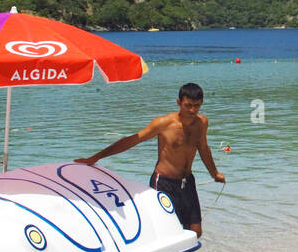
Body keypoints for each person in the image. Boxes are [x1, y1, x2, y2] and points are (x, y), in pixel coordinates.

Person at [75, 82, 226, 237]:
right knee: (166, 231)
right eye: (188, 105)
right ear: (179, 102)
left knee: (195, 232)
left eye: (197, 106)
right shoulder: (163, 123)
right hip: (164, 183)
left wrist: (214, 173)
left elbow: (203, 148)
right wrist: (96, 157)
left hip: (187, 182)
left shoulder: (202, 123)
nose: (192, 110)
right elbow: (133, 140)